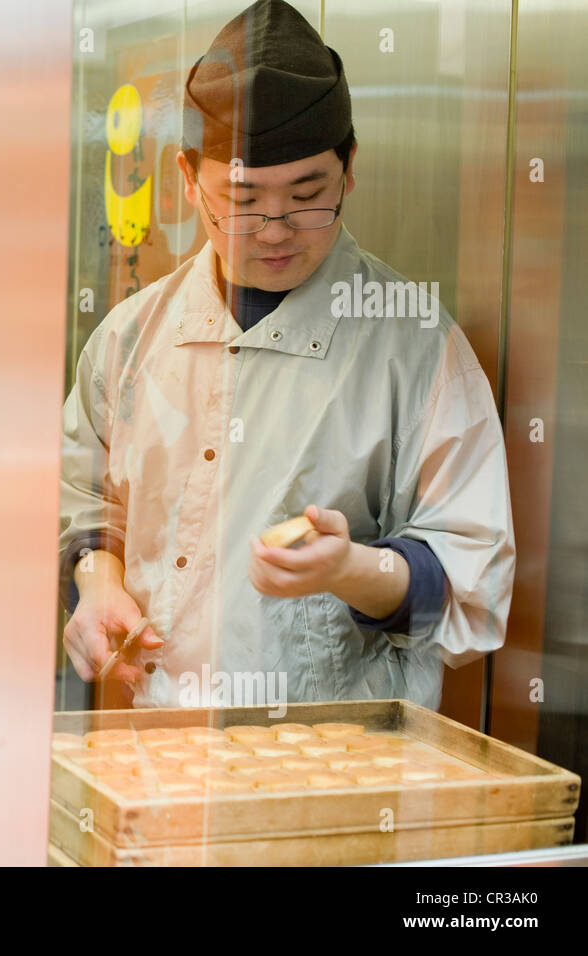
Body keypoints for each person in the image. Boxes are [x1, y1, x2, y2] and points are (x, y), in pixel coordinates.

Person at [58, 0, 514, 710]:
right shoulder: (129, 336)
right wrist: (98, 579)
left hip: (341, 768)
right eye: (242, 201)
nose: (275, 231)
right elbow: (83, 498)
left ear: (349, 169)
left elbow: (472, 589)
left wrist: (352, 569)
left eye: (308, 196)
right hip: (160, 758)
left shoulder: (417, 348)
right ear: (186, 176)